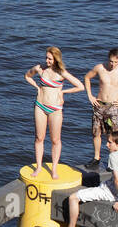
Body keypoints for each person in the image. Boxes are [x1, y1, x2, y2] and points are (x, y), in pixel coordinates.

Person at [56, 130, 118, 227]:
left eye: (110, 142)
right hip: (116, 189)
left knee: (73, 198)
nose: (107, 145)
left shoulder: (113, 157)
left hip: (112, 192)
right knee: (95, 189)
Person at [25, 47, 84, 179]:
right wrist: (36, 87)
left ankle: (54, 169)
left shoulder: (62, 72)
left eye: (50, 59)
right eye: (46, 57)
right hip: (40, 106)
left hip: (55, 109)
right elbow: (27, 75)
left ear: (56, 59)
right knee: (39, 138)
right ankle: (39, 167)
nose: (47, 60)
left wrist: (63, 92)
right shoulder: (40, 68)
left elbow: (80, 86)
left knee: (55, 140)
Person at [83, 48, 118, 168]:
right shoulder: (100, 68)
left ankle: (113, 160)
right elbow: (87, 77)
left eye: (115, 62)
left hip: (113, 107)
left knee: (113, 135)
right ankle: (96, 158)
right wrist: (90, 95)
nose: (112, 64)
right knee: (96, 132)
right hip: (99, 105)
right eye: (110, 61)